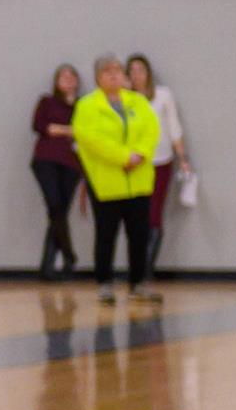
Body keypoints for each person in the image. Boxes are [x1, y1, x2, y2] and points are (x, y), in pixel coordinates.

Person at [72, 54, 162, 306]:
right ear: (98, 77)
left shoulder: (138, 101)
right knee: (106, 234)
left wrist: (141, 154)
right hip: (107, 181)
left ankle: (138, 283)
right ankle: (104, 284)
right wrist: (123, 156)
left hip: (138, 178)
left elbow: (151, 130)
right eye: (107, 71)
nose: (113, 75)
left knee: (139, 234)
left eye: (117, 70)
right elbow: (91, 140)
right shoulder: (87, 105)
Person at [127, 54, 190, 267]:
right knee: (136, 215)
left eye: (140, 70)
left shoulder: (163, 95)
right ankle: (136, 264)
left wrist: (182, 157)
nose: (137, 75)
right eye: (132, 71)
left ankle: (145, 267)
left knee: (154, 213)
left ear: (148, 73)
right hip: (135, 162)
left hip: (161, 161)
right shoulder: (126, 99)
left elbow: (174, 127)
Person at [30, 64, 85, 281]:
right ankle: (69, 255)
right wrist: (69, 130)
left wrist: (60, 129)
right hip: (46, 160)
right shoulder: (47, 101)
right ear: (56, 81)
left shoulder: (83, 105)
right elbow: (39, 125)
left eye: (72, 75)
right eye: (63, 75)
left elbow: (86, 131)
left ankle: (48, 267)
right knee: (54, 206)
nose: (68, 79)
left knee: (58, 213)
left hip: (72, 164)